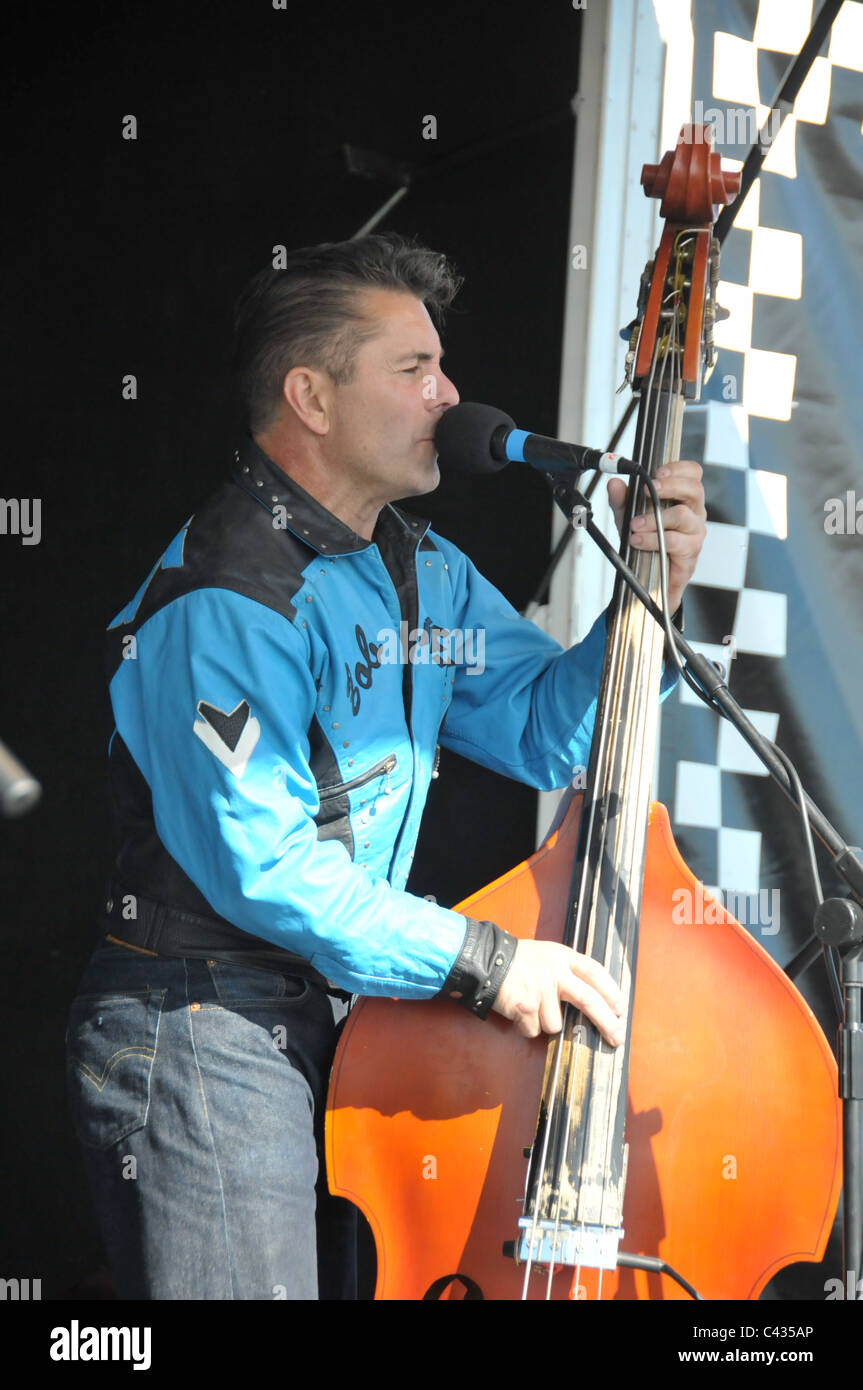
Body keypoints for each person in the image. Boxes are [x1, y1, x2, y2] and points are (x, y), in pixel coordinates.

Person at [65, 234, 707, 1300]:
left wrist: (653, 595)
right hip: (195, 1026)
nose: (449, 397)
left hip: (330, 1021)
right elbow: (265, 868)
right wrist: (495, 963)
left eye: (441, 367)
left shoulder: (423, 571)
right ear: (310, 395)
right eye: (413, 370)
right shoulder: (225, 598)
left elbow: (547, 731)